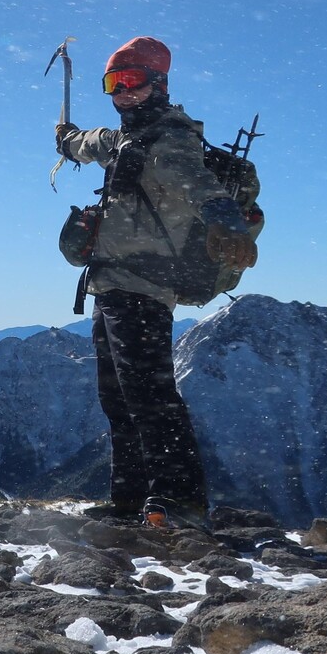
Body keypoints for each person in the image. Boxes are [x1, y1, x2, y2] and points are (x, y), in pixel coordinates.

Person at [55, 36, 256, 531]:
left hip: (145, 286)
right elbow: (86, 142)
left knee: (148, 395)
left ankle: (179, 504)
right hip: (108, 283)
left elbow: (199, 184)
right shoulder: (122, 139)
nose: (121, 92)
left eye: (132, 81)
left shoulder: (171, 140)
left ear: (158, 84)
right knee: (118, 397)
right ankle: (129, 501)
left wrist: (226, 222)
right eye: (112, 83)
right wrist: (65, 138)